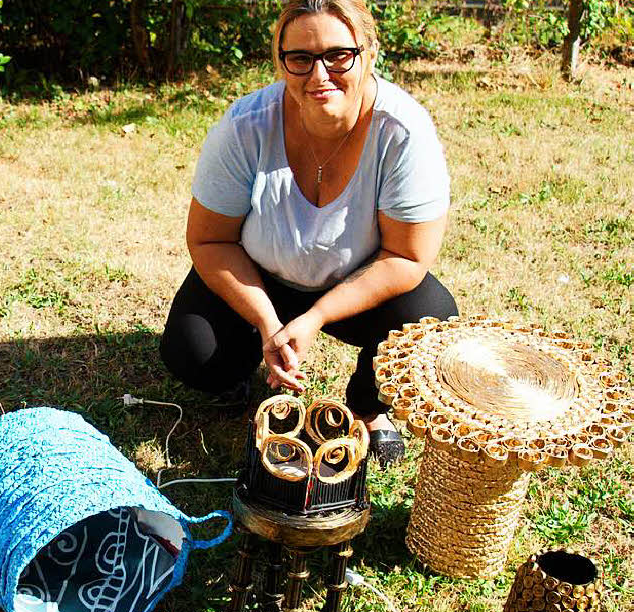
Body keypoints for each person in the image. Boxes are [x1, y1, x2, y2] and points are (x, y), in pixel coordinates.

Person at [159, 0, 458, 464]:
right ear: (281, 62)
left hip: (353, 284)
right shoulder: (245, 127)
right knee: (192, 355)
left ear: (369, 53)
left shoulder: (404, 132)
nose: (319, 75)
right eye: (300, 58)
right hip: (261, 275)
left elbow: (408, 256)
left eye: (338, 55)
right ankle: (245, 368)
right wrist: (267, 322)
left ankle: (367, 406)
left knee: (431, 317)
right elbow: (209, 240)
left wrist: (316, 317)